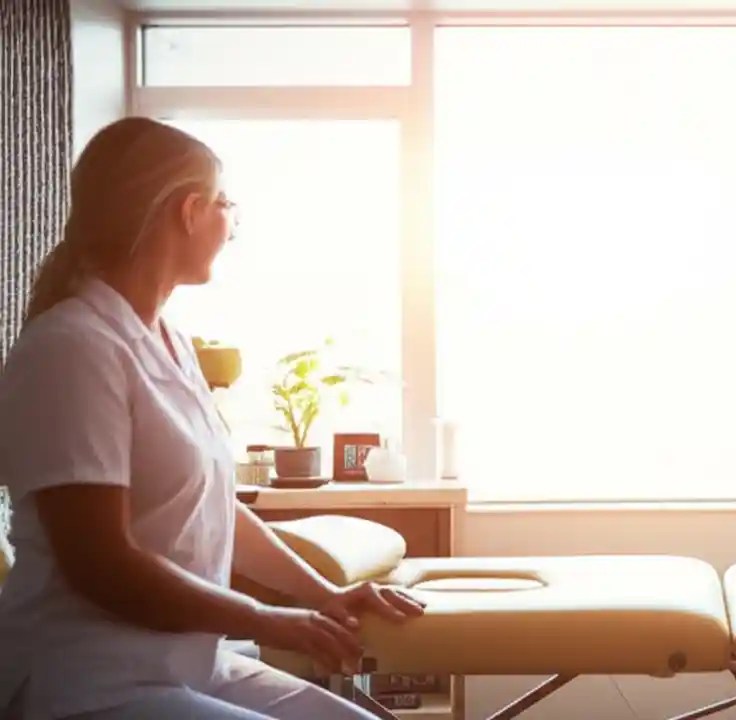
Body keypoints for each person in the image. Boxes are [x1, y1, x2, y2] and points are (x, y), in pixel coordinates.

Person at [0, 117, 425, 720]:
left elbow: (216, 508)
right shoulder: (73, 347)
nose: (231, 226)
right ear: (190, 211)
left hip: (180, 664)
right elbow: (101, 564)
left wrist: (324, 597)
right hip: (83, 681)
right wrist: (265, 619)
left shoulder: (166, 339)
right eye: (226, 204)